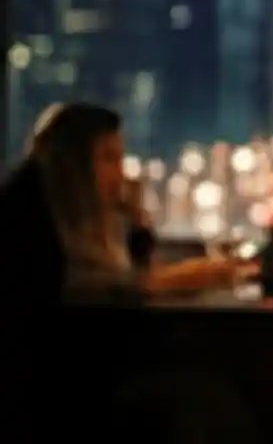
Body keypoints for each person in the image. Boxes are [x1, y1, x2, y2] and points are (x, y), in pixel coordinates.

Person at [0, 102, 252, 306]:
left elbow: (128, 273)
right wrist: (183, 279)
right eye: (109, 158)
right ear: (73, 163)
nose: (120, 174)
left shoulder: (77, 212)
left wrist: (137, 219)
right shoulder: (30, 216)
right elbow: (87, 290)